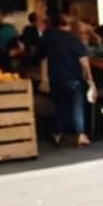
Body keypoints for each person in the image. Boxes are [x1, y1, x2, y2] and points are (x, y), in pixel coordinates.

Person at [39, 11, 93, 147]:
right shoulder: (74, 39)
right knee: (77, 106)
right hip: (73, 79)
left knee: (61, 106)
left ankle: (57, 132)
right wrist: (90, 80)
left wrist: (44, 79)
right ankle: (80, 134)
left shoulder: (47, 38)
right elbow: (84, 61)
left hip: (55, 79)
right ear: (67, 25)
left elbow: (43, 60)